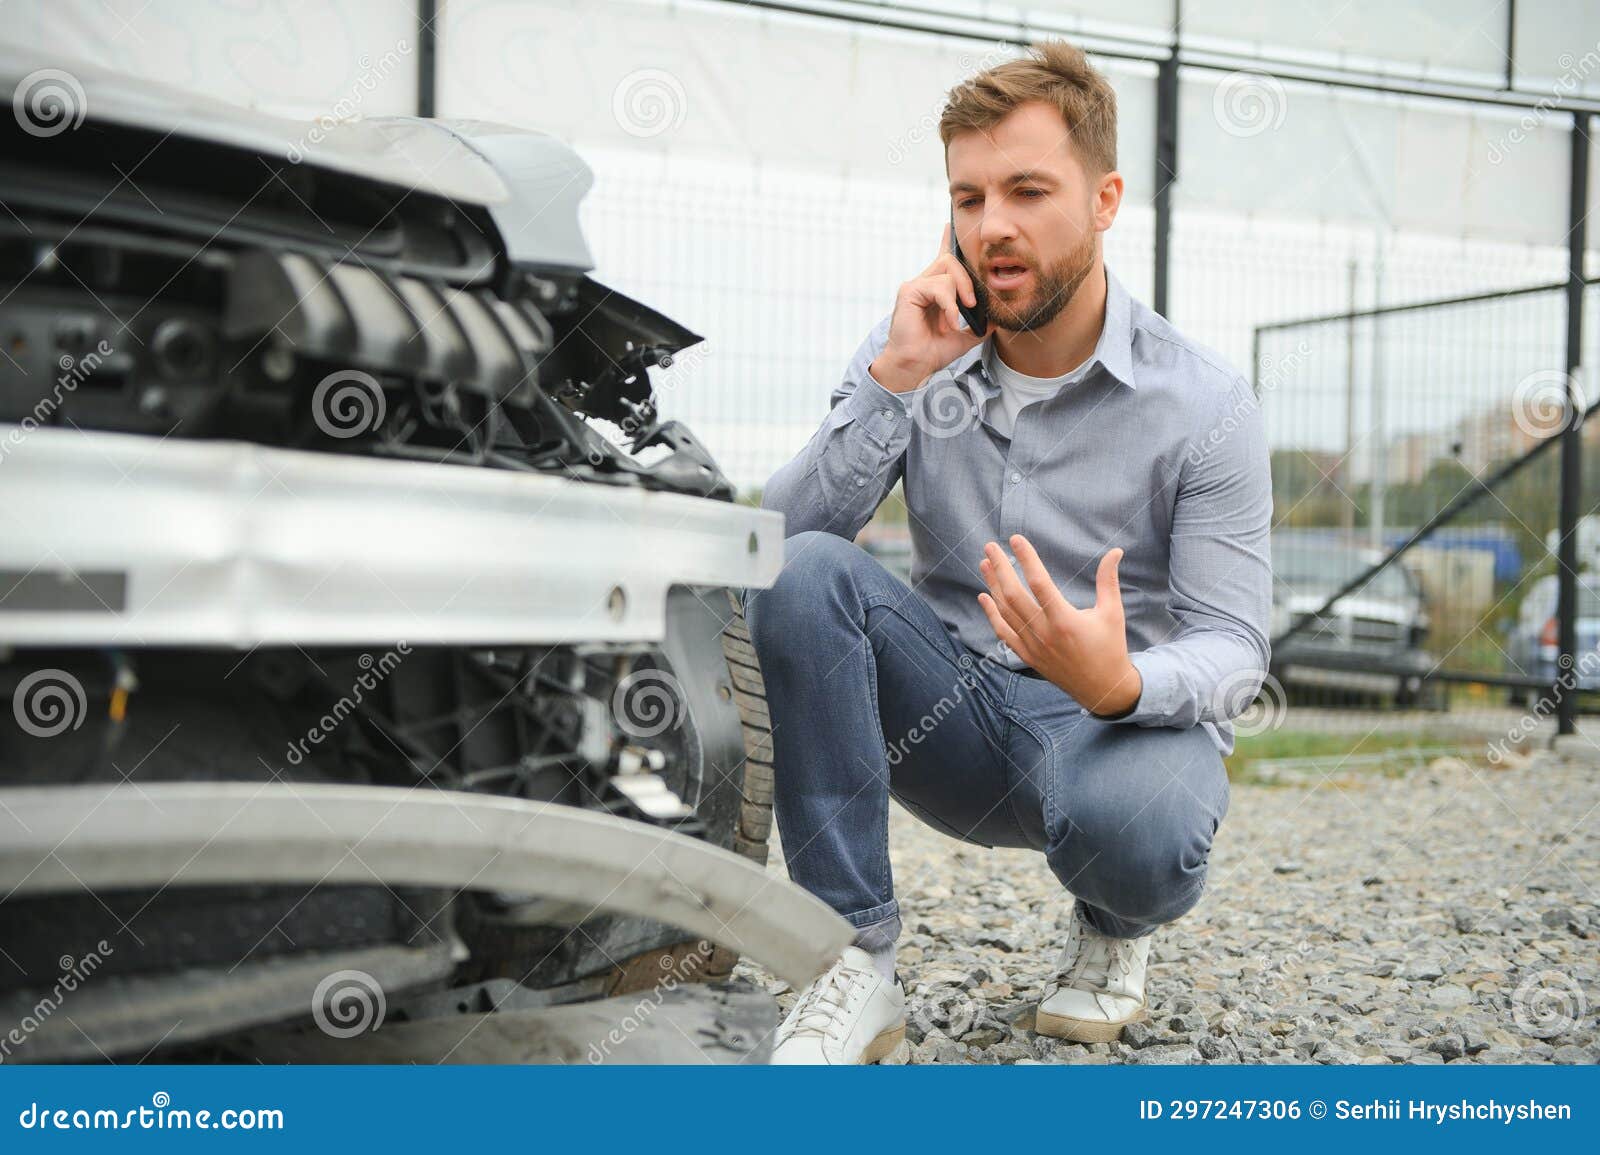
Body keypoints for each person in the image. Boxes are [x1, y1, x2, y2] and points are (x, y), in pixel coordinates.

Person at [743, 39, 1273, 1065]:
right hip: (951, 720)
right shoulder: (917, 340)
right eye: (969, 196)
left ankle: (1113, 929)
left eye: (1027, 191)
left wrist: (1120, 681)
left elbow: (1233, 650)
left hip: (1115, 733)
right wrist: (896, 382)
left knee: (1142, 829)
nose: (993, 226)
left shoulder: (1205, 405)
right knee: (808, 573)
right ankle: (851, 965)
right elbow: (777, 539)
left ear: (1106, 198)